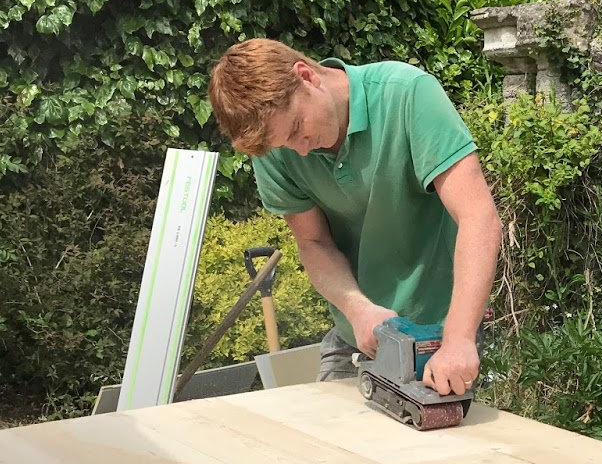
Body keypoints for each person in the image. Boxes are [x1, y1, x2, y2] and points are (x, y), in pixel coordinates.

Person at [208, 39, 502, 396]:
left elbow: (478, 216)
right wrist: (358, 309)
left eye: (297, 128)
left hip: (441, 335)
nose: (299, 149)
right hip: (360, 338)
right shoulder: (275, 150)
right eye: (284, 143)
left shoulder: (407, 95)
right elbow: (313, 242)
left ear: (305, 76)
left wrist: (458, 339)